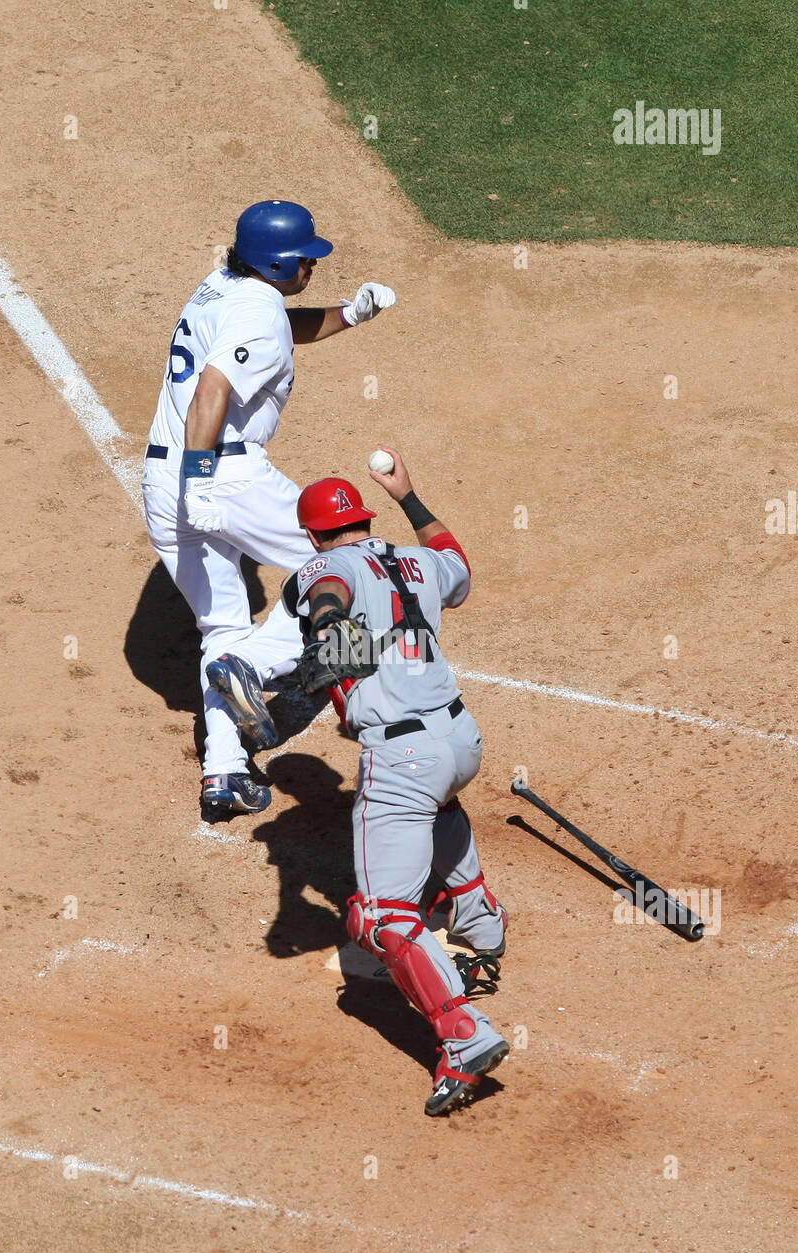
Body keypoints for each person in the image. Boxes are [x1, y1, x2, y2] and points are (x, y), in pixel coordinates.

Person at [142, 199, 396, 813]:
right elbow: (214, 387)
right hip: (223, 476)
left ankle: (224, 770)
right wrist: (202, 480)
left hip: (163, 482)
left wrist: (348, 315)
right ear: (279, 263)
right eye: (306, 257)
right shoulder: (256, 311)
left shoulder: (224, 283)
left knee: (222, 627)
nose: (313, 264)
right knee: (360, 566)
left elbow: (274, 332)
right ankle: (325, 690)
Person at [281, 451, 510, 1117]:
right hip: (461, 739)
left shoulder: (325, 563)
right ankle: (481, 925)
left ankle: (464, 1039)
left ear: (315, 534)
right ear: (365, 518)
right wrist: (410, 497)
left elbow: (329, 591)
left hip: (404, 754)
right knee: (436, 807)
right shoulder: (417, 559)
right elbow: (459, 565)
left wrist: (328, 628)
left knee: (379, 916)